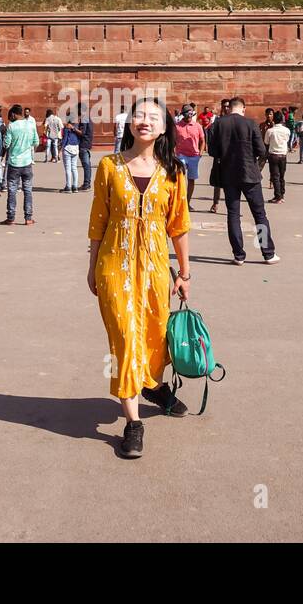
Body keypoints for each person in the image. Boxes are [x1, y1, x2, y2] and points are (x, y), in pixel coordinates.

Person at [86, 96, 192, 459]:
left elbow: (178, 226)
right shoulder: (109, 167)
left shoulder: (174, 172)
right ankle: (132, 422)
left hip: (155, 269)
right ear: (129, 124)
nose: (143, 121)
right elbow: (98, 218)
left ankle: (155, 387)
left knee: (154, 334)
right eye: (138, 115)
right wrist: (91, 263)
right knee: (125, 340)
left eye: (152, 117)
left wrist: (185, 273)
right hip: (114, 267)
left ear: (164, 127)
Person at [208, 98, 278, 265]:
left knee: (233, 215)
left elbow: (212, 151)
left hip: (228, 174)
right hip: (250, 174)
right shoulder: (250, 123)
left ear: (228, 109)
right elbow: (261, 150)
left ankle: (239, 255)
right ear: (243, 109)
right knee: (259, 214)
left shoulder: (218, 124)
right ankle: (267, 253)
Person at [2, 103, 39, 225]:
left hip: (14, 163)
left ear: (13, 114)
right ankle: (28, 218)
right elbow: (36, 142)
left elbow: (6, 144)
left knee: (12, 191)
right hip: (27, 162)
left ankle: (11, 217)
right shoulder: (31, 125)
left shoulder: (11, 126)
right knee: (28, 190)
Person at [174, 105, 206, 203]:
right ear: (183, 115)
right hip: (181, 155)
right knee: (180, 179)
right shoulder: (177, 126)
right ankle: (181, 202)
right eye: (187, 113)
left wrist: (200, 153)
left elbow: (202, 140)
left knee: (191, 180)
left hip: (194, 156)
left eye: (191, 113)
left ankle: (187, 202)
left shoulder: (197, 126)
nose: (189, 115)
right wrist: (174, 153)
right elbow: (173, 140)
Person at [263, 110, 290, 203]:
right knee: (281, 176)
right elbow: (287, 140)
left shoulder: (270, 131)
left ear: (274, 119)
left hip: (273, 155)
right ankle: (281, 195)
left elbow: (266, 142)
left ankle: (277, 196)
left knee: (275, 176)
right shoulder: (286, 130)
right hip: (283, 155)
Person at [60, 117, 82, 193]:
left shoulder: (66, 128)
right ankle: (75, 186)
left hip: (68, 148)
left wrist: (61, 147)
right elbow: (79, 138)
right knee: (74, 168)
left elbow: (65, 139)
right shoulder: (76, 128)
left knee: (68, 168)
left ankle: (68, 187)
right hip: (76, 147)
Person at [77, 105, 95, 191]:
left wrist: (73, 128)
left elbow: (82, 132)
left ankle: (86, 184)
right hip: (88, 143)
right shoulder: (88, 118)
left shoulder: (84, 119)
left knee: (86, 165)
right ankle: (87, 183)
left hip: (83, 144)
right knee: (87, 165)